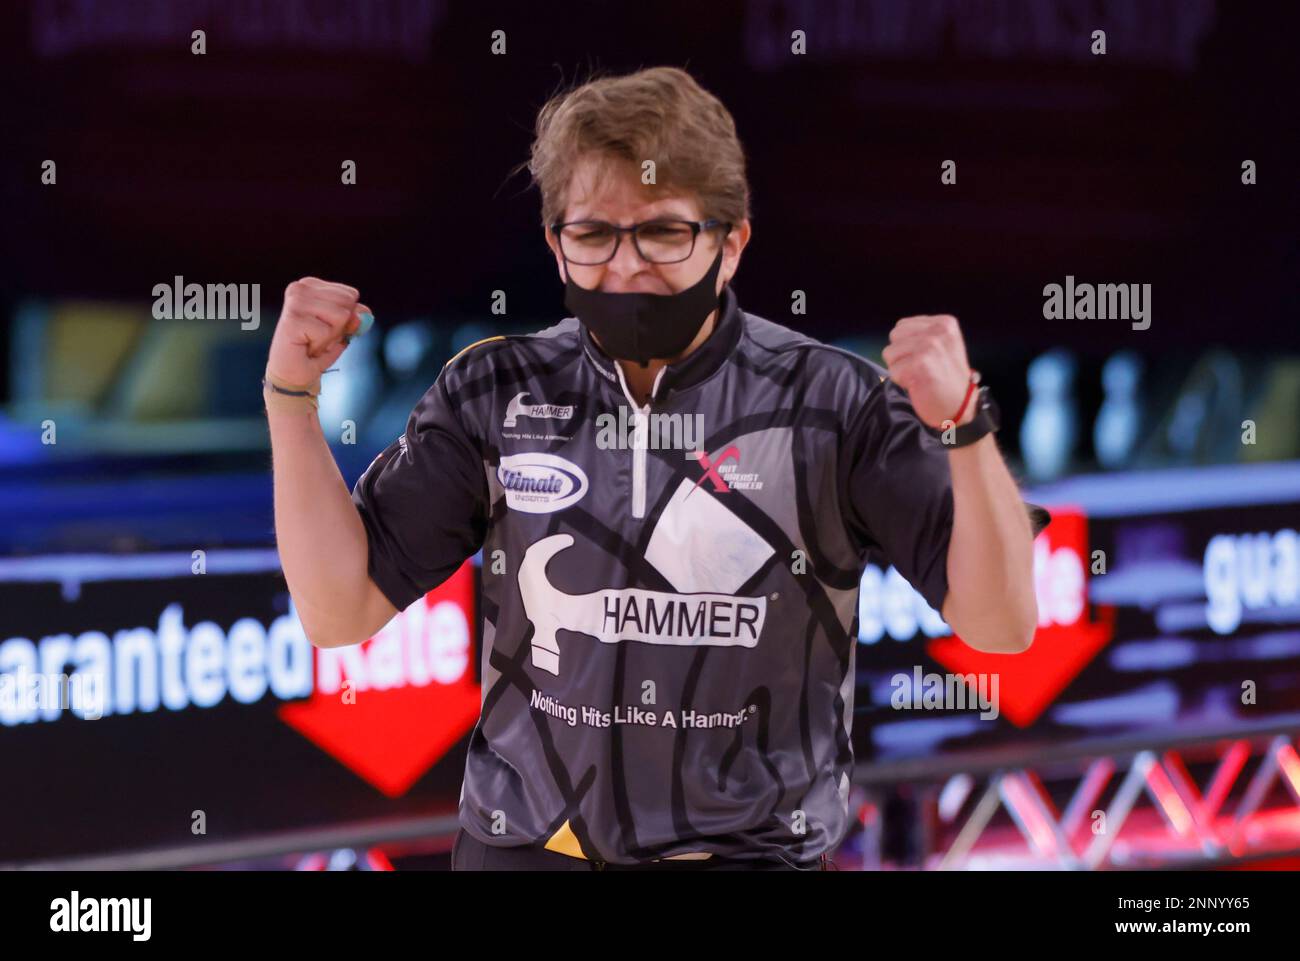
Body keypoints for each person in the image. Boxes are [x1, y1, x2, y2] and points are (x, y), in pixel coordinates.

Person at [262, 66, 1046, 871]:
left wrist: (966, 427)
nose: (628, 266)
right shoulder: (494, 389)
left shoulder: (832, 403)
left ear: (731, 241)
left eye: (664, 233)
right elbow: (339, 609)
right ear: (554, 246)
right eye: (594, 235)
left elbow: (1002, 621)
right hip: (526, 850)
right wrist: (290, 397)